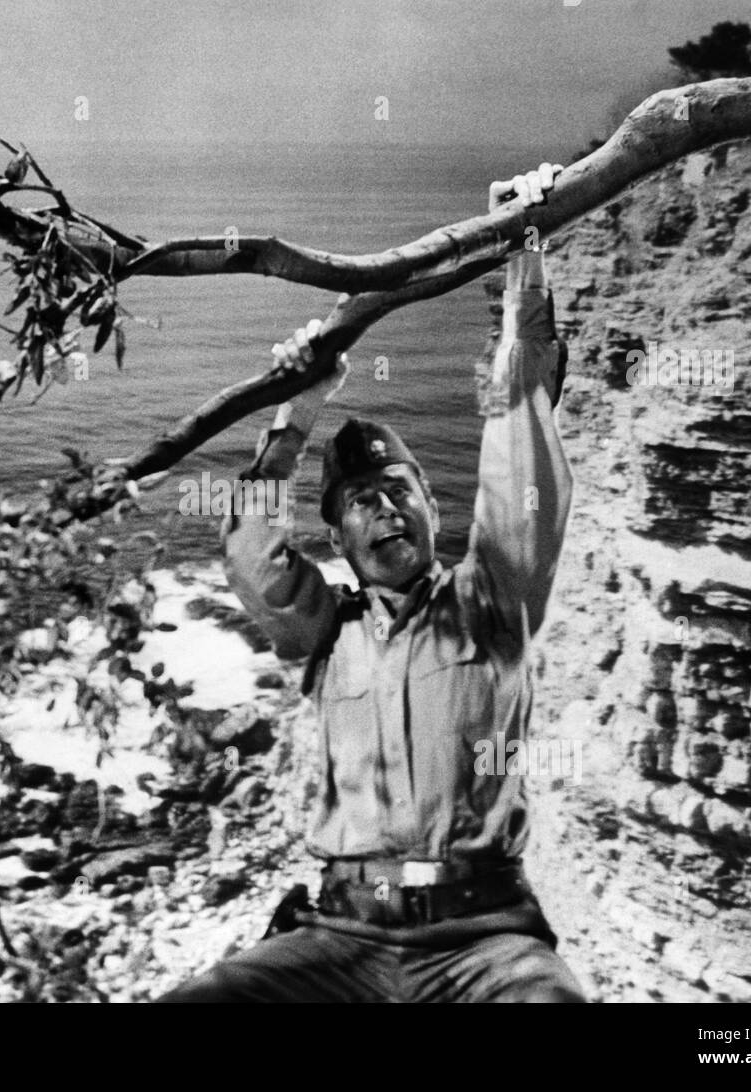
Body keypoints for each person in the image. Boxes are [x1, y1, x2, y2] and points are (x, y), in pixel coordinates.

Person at [157, 163, 584, 1003]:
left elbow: (521, 428)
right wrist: (299, 407)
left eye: (400, 493)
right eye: (360, 502)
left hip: (486, 944)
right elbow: (251, 554)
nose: (385, 511)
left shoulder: (493, 599)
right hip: (337, 940)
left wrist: (522, 247)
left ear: (433, 507)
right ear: (337, 537)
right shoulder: (324, 636)